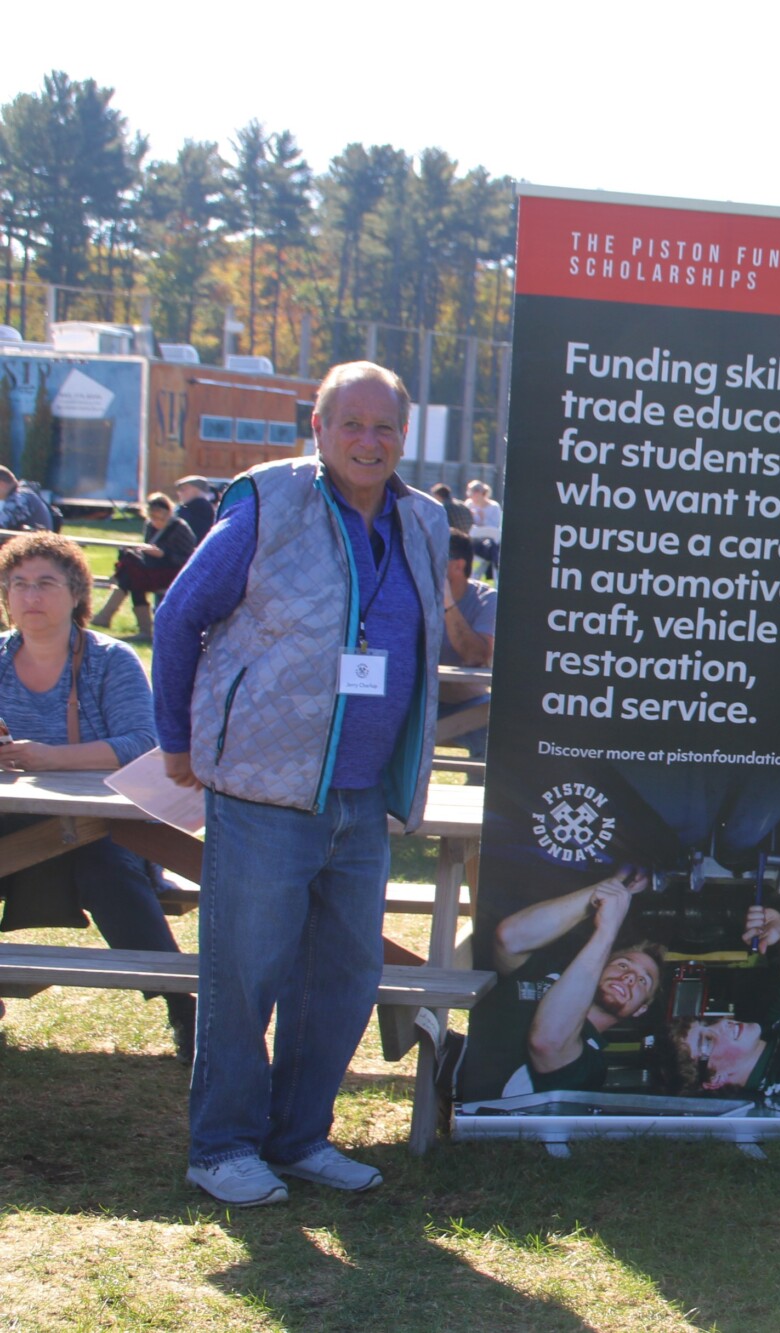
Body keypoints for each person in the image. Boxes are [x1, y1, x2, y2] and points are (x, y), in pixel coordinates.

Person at [154, 360, 449, 1208]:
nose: (368, 440)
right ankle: (222, 1147)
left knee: (343, 979)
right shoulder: (268, 500)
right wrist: (177, 738)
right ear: (317, 429)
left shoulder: (423, 521)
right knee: (245, 976)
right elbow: (180, 615)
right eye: (350, 423)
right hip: (262, 787)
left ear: (404, 434)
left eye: (384, 426)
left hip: (361, 797)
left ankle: (297, 1136)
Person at [0, 533, 193, 1059]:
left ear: (77, 592)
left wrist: (50, 756)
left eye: (45, 584)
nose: (30, 596)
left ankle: (184, 1007)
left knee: (107, 869)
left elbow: (143, 742)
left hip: (107, 821)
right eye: (18, 584)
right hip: (12, 814)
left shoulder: (111, 659)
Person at [491, 868, 670, 1092]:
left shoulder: (591, 1066)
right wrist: (612, 886)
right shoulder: (549, 975)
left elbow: (547, 1043)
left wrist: (607, 929)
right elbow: (509, 938)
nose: (629, 977)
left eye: (644, 981)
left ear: (640, 1010)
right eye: (622, 965)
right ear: (599, 966)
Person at [671, 905, 780, 1097]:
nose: (722, 1023)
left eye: (709, 1022)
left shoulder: (773, 1031)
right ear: (714, 1080)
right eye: (707, 1042)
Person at [93, 493, 197, 635]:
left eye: (161, 517)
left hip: (173, 572)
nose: (156, 521)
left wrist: (163, 554)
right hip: (151, 569)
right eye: (153, 517)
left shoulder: (179, 527)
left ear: (168, 513)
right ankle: (142, 629)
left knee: (131, 575)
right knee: (132, 574)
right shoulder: (150, 526)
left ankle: (109, 617)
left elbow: (189, 558)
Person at [437, 531, 497, 772]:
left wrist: (448, 604)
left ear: (458, 565)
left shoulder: (486, 599)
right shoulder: (412, 591)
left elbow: (475, 656)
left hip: (467, 704)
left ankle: (477, 804)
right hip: (417, 702)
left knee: (495, 730)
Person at [0, 466, 54, 532]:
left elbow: (2, 523)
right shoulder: (17, 495)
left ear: (1, 484)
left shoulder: (21, 497)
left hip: (36, 541)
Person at [464, 479, 501, 573]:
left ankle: (487, 571)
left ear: (478, 493)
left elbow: (494, 528)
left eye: (472, 494)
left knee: (492, 548)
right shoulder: (469, 504)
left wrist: (482, 519)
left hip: (489, 541)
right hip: (472, 541)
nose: (470, 497)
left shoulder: (494, 507)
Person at [174, 476, 216, 543]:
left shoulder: (200, 508)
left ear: (196, 490)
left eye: (183, 489)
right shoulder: (188, 507)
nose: (179, 493)